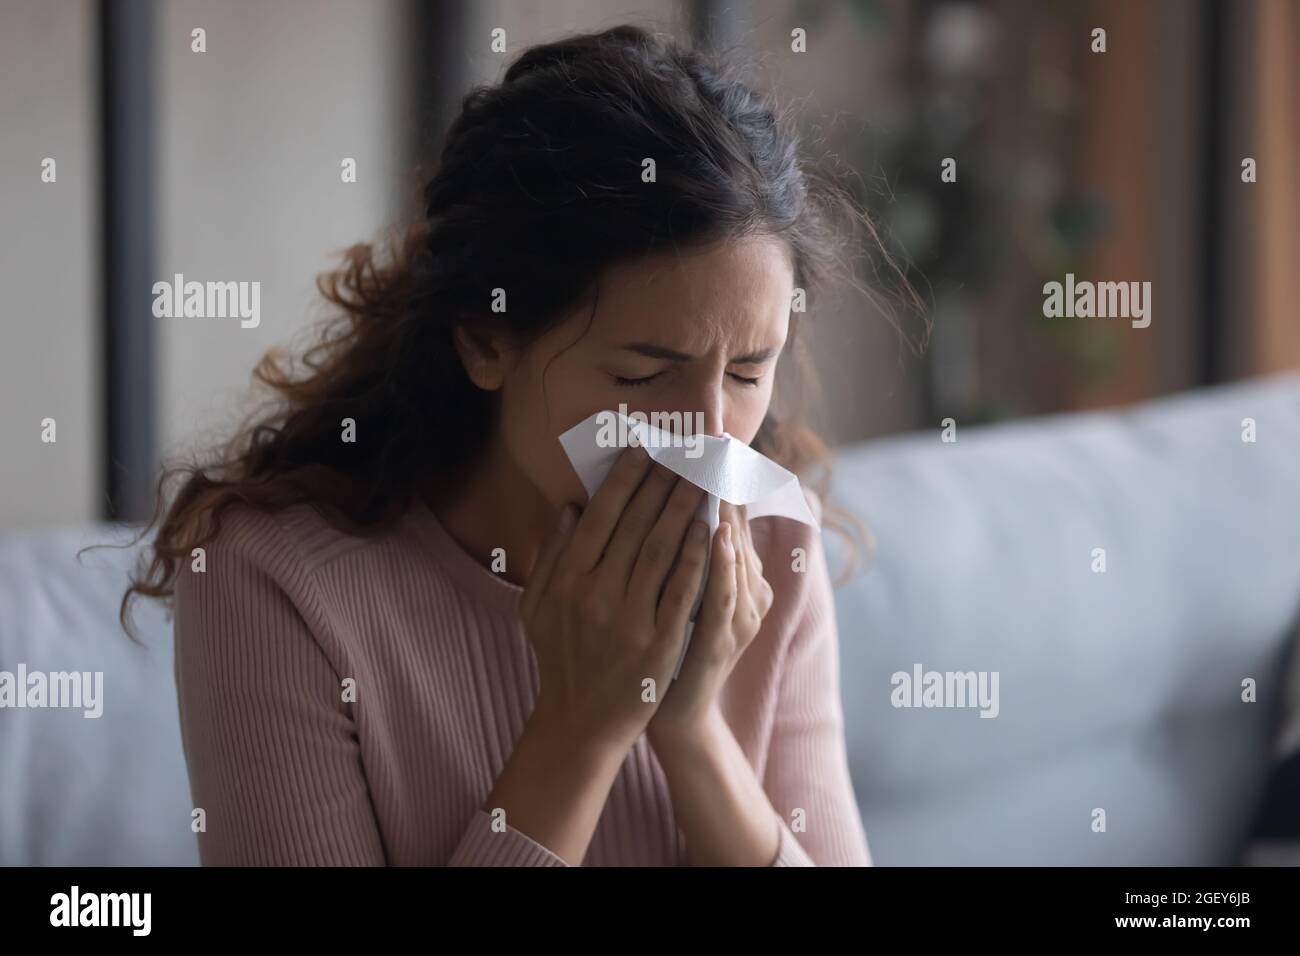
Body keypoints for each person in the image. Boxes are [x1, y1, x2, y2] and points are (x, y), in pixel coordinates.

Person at [123, 24, 885, 866]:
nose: (708, 437)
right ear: (486, 342)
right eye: (641, 375)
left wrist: (691, 727)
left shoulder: (775, 541)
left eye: (748, 371)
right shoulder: (280, 586)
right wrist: (579, 729)